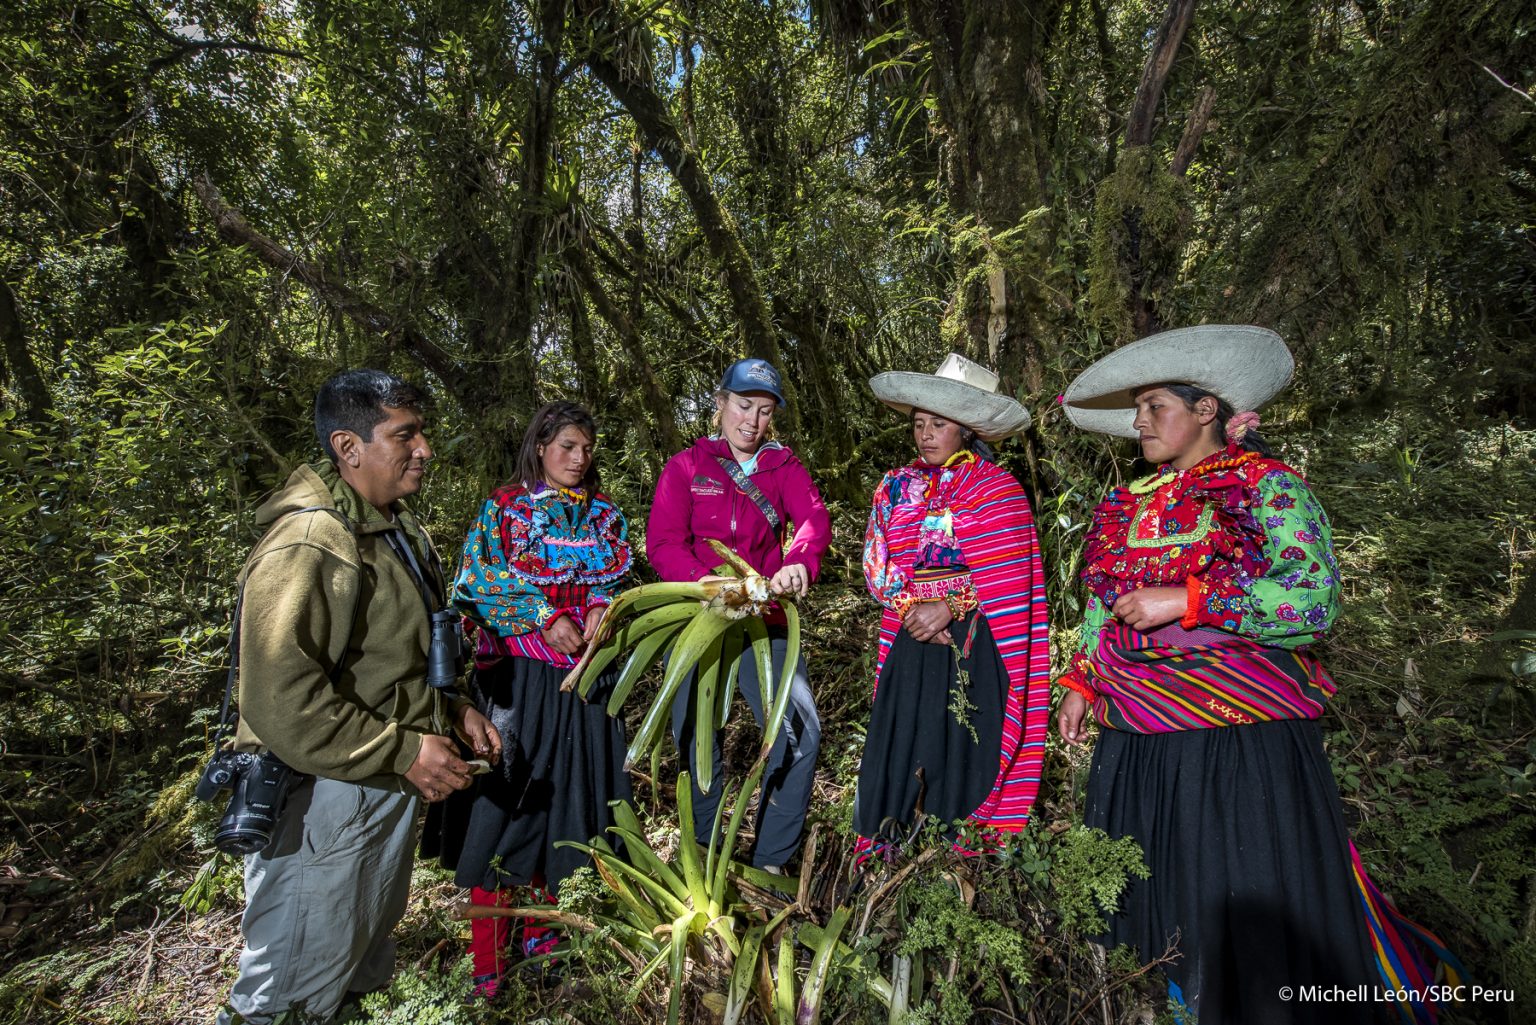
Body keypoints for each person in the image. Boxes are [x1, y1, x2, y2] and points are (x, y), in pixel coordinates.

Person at [1057, 325, 1457, 1025]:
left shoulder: (1266, 488)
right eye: (1138, 409)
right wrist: (1082, 681)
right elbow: (1099, 602)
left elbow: (1314, 597)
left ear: (1206, 408)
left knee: (1238, 910)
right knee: (1162, 912)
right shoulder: (1126, 505)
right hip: (1138, 743)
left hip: (1236, 749)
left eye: (1156, 406)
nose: (1140, 422)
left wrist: (1191, 599)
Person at [221, 369, 500, 1025]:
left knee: (353, 974)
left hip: (379, 791)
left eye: (421, 432)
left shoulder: (397, 530)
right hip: (325, 797)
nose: (424, 448)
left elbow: (396, 655)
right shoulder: (313, 540)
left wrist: (453, 706)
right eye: (405, 435)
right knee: (289, 992)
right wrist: (403, 748)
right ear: (348, 447)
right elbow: (280, 696)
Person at [423, 401, 634, 997]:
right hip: (520, 682)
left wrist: (600, 609)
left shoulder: (606, 518)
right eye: (567, 445)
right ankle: (487, 957)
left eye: (587, 447)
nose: (578, 457)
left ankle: (544, 930)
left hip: (586, 685)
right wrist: (542, 617)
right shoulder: (506, 509)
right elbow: (475, 580)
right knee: (508, 804)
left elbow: (618, 581)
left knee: (567, 804)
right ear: (540, 446)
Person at [856, 354, 1051, 853]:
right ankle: (891, 846)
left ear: (965, 430)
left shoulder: (998, 489)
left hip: (974, 636)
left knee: (963, 736)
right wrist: (911, 609)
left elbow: (1011, 573)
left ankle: (957, 852)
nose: (925, 434)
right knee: (904, 735)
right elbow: (877, 559)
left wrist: (950, 607)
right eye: (919, 423)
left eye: (938, 424)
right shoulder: (894, 486)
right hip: (908, 633)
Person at [647, 357, 831, 871]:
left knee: (798, 729)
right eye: (744, 406)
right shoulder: (685, 467)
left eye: (765, 411)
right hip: (700, 620)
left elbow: (813, 519)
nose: (752, 421)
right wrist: (708, 583)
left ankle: (770, 861)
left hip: (763, 620)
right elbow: (662, 542)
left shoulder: (783, 467)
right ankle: (703, 855)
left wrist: (798, 562)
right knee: (696, 735)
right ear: (721, 404)